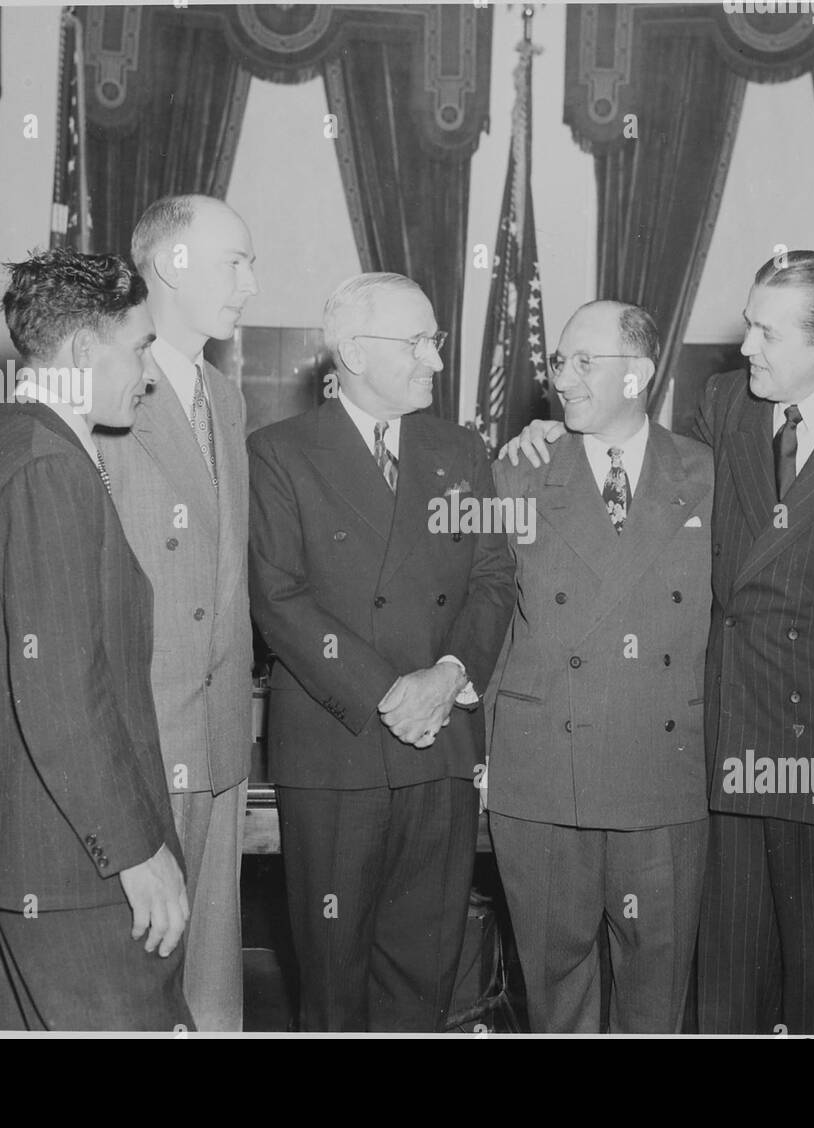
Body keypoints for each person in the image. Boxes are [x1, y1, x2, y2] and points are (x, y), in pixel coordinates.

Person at [502, 251, 814, 1033]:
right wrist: (553, 435)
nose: (744, 346)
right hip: (725, 748)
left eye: (765, 331)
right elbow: (638, 468)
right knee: (729, 984)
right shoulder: (726, 405)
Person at [248, 272, 515, 1031]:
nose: (436, 359)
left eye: (435, 341)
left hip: (441, 747)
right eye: (420, 342)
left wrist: (448, 674)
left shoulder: (462, 450)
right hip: (341, 750)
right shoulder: (278, 453)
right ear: (357, 353)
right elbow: (280, 598)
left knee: (424, 981)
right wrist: (389, 693)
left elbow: (494, 576)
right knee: (333, 985)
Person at [0, 249, 191, 1030]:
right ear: (86, 349)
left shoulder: (13, 455)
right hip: (78, 874)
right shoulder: (45, 469)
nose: (148, 372)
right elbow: (60, 697)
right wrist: (137, 851)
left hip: (42, 869)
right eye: (141, 345)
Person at [487, 301, 714, 1033]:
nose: (563, 378)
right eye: (558, 361)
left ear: (639, 374)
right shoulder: (517, 472)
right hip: (546, 772)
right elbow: (484, 618)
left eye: (585, 361)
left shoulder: (708, 473)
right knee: (555, 991)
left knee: (657, 991)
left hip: (662, 773)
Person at [93, 194, 257, 1031]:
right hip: (145, 741)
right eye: (234, 261)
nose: (250, 283)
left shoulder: (226, 399)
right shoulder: (108, 392)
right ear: (169, 266)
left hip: (220, 742)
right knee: (137, 991)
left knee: (211, 993)